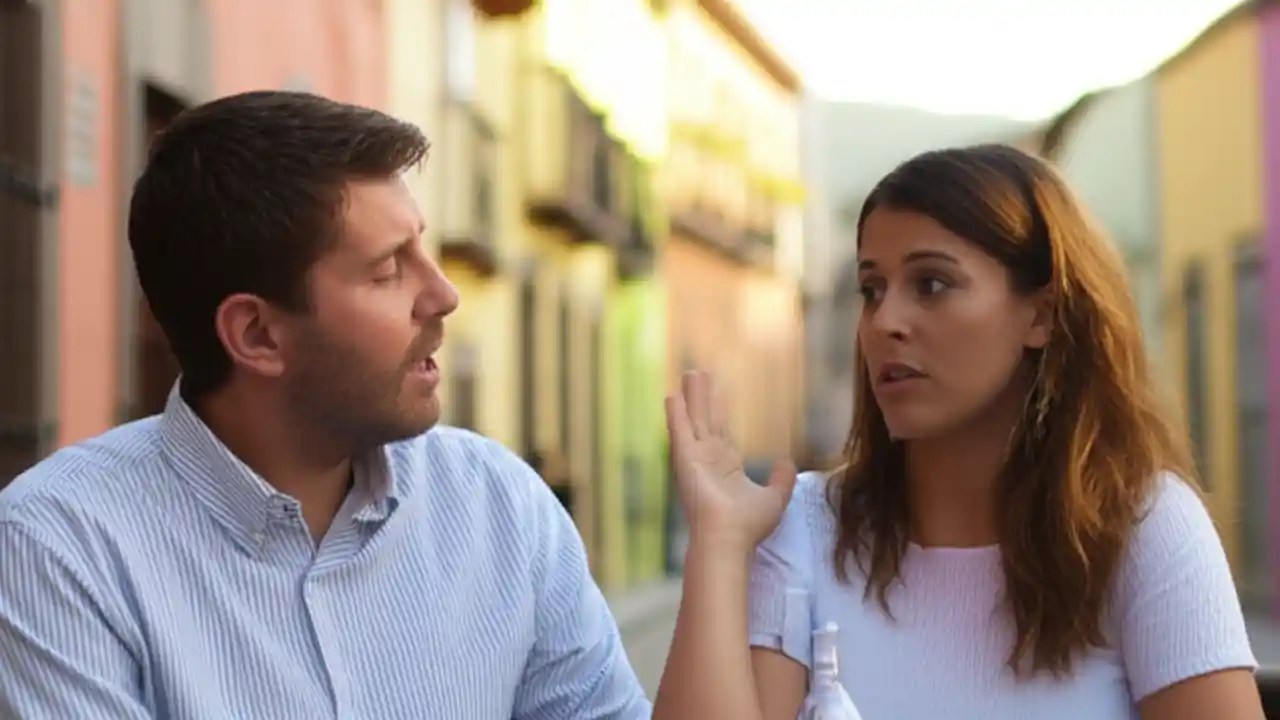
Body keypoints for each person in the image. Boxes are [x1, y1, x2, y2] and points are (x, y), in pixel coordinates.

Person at [0, 91, 650, 719]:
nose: (444, 294)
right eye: (389, 268)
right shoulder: (57, 549)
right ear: (257, 334)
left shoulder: (502, 508)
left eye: (422, 246)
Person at [654, 145, 1264, 719]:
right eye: (872, 289)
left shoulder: (1141, 529)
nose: (885, 321)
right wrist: (717, 542)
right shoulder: (807, 530)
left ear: (1041, 314)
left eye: (932, 284)